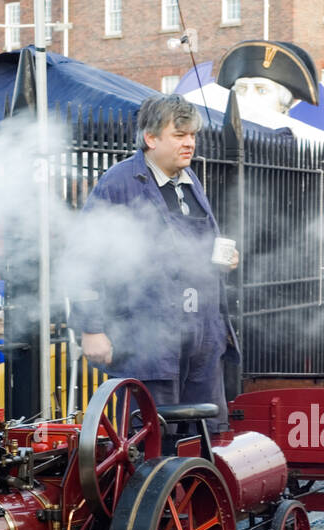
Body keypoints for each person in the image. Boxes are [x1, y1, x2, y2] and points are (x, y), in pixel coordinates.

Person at [71, 94, 239, 429]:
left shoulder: (191, 183)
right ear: (151, 138)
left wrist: (221, 260)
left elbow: (187, 251)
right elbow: (84, 257)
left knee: (204, 438)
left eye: (192, 135)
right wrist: (91, 329)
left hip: (201, 340)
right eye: (179, 136)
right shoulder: (118, 184)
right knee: (150, 442)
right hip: (147, 342)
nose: (189, 143)